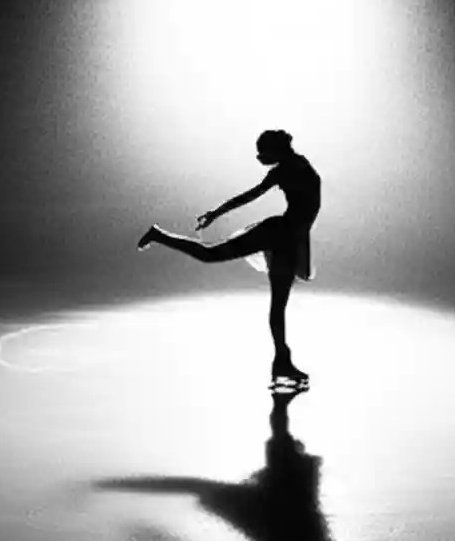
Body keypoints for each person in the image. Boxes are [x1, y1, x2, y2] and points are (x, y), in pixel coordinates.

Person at [136, 129, 321, 387]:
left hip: (288, 239)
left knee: (278, 304)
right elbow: (248, 197)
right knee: (213, 256)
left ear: (275, 150)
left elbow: (252, 197)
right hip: (279, 236)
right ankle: (159, 235)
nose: (259, 158)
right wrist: (217, 213)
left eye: (262, 153)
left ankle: (282, 360)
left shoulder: (290, 167)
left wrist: (216, 213)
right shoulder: (291, 166)